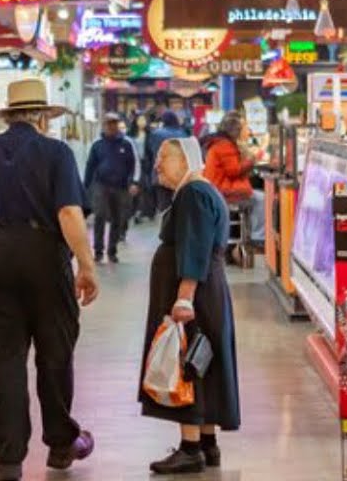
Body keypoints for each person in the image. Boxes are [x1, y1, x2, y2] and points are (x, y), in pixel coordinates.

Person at [0, 78, 98, 481]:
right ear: (42, 119)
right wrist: (86, 265)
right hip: (46, 256)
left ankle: (9, 460)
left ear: (9, 117)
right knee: (55, 354)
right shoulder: (57, 153)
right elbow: (68, 213)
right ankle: (61, 445)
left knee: (4, 362)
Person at [140, 137, 240, 474]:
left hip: (194, 294)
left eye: (164, 158)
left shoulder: (193, 194)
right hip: (207, 292)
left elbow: (195, 248)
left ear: (186, 159)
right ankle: (208, 443)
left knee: (187, 362)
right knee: (203, 359)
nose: (157, 165)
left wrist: (184, 297)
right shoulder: (200, 191)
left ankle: (190, 448)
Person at [83, 112, 138, 263]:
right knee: (99, 216)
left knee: (117, 218)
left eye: (114, 123)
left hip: (120, 187)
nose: (111, 126)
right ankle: (98, 250)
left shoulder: (126, 143)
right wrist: (85, 187)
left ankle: (112, 251)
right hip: (101, 185)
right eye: (108, 123)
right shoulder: (97, 144)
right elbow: (90, 166)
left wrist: (133, 182)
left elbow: (133, 164)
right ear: (104, 125)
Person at [203, 112, 265, 244]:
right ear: (236, 130)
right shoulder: (225, 146)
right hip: (225, 191)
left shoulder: (220, 143)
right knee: (261, 199)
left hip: (217, 189)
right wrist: (254, 158)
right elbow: (234, 171)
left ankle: (251, 235)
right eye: (245, 127)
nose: (248, 130)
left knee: (258, 196)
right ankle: (258, 237)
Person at [145, 111, 188, 214]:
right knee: (179, 206)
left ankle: (166, 227)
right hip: (179, 176)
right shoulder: (183, 134)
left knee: (164, 206)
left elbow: (149, 153)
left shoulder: (155, 134)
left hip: (160, 174)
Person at [127, 113, 152, 221]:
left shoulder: (150, 134)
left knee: (144, 187)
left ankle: (141, 211)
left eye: (143, 120)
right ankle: (135, 210)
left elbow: (151, 150)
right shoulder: (130, 134)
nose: (142, 122)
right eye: (139, 119)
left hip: (145, 163)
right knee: (135, 186)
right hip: (133, 163)